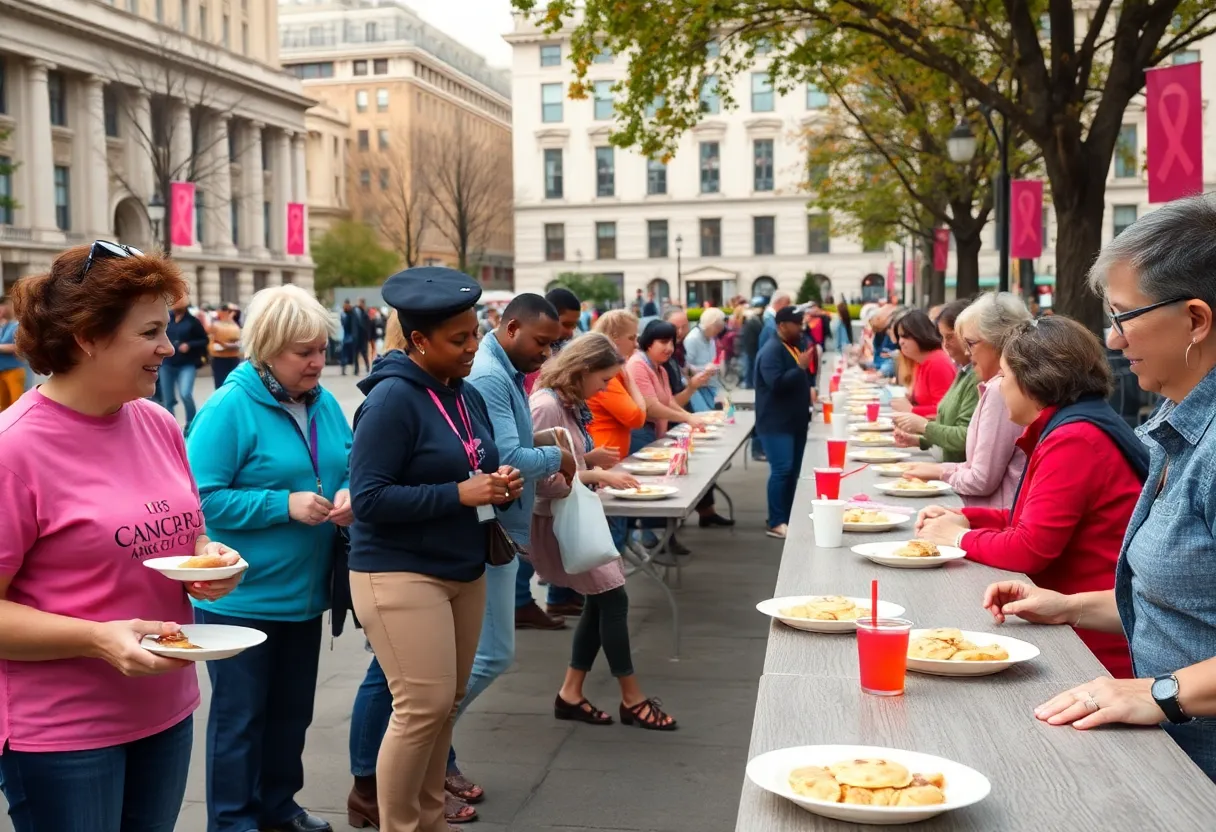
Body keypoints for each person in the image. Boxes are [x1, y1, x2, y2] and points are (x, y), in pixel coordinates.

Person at [0, 242, 241, 832]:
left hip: (165, 708)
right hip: (62, 733)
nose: (171, 345)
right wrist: (98, 639)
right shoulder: (14, 450)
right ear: (87, 336)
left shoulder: (157, 421)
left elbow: (189, 533)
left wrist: (209, 560)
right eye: (152, 331)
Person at [984, 196, 1216, 778]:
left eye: (1123, 316)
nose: (1113, 340)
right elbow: (1184, 603)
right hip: (1165, 753)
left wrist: (1158, 693)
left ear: (1195, 319)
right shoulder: (1181, 425)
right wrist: (1071, 607)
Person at [347, 267, 523, 832]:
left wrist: (496, 479)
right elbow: (368, 498)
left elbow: (470, 457)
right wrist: (458, 492)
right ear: (419, 341)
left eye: (476, 333)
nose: (474, 346)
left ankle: (429, 820)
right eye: (459, 339)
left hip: (460, 567)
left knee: (445, 703)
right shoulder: (392, 400)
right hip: (400, 573)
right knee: (420, 709)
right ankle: (398, 823)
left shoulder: (463, 392)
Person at [186, 285, 352, 832]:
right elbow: (200, 499)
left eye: (322, 349)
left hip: (304, 594)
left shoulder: (324, 402)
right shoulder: (229, 406)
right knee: (240, 720)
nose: (317, 361)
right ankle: (233, 822)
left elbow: (349, 462)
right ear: (266, 349)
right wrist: (282, 504)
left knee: (290, 715)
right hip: (244, 598)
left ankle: (279, 807)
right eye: (302, 351)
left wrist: (350, 491)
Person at [917, 316, 1146, 677]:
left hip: (1090, 647)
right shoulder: (1074, 425)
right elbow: (1027, 518)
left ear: (1033, 381)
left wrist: (957, 538)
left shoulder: (1074, 439)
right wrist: (966, 518)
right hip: (1072, 623)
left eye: (1005, 375)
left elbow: (1030, 549)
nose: (998, 384)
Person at [531, 333, 678, 731]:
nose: (604, 387)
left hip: (569, 516)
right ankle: (631, 698)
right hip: (557, 521)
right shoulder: (546, 406)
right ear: (580, 372)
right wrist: (594, 471)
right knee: (612, 599)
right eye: (602, 380)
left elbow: (559, 460)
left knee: (603, 600)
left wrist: (587, 459)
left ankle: (571, 693)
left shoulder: (563, 402)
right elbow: (540, 477)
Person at [898, 293, 1030, 509]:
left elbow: (981, 479)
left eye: (970, 343)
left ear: (996, 341)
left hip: (995, 514)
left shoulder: (1000, 389)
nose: (968, 352)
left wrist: (940, 471)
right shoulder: (997, 384)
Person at [518, 286, 583, 623]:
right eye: (567, 324)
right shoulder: (540, 385)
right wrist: (559, 460)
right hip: (530, 478)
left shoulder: (549, 353)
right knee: (524, 545)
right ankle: (519, 604)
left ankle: (549, 597)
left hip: (540, 473)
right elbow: (525, 440)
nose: (570, 332)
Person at [754, 306, 816, 540]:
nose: (800, 328)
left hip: (795, 420)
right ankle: (776, 520)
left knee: (793, 472)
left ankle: (789, 515)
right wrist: (799, 368)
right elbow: (776, 384)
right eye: (796, 324)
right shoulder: (771, 351)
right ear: (781, 326)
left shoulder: (792, 346)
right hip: (776, 423)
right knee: (782, 470)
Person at [892, 299, 978, 464]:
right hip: (947, 461)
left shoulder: (942, 363)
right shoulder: (964, 371)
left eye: (949, 337)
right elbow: (946, 419)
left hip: (953, 467)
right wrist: (919, 440)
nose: (945, 344)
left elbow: (964, 435)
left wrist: (919, 421)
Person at [888, 309, 955, 417]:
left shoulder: (938, 362)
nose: (901, 342)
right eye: (899, 337)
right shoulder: (920, 361)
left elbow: (945, 411)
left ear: (919, 334)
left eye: (905, 336)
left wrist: (911, 409)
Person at [160, 293, 209, 427]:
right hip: (167, 363)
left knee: (185, 393)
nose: (175, 308)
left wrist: (190, 345)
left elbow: (204, 340)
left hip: (187, 364)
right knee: (168, 399)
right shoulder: (166, 318)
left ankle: (191, 422)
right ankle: (170, 427)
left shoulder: (193, 321)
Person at [682, 306, 725, 412]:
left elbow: (711, 360)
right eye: (717, 328)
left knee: (724, 410)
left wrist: (716, 367)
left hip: (710, 384)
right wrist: (703, 369)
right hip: (697, 388)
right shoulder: (692, 339)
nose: (718, 332)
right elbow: (684, 367)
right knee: (705, 414)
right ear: (709, 325)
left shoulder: (710, 338)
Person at [0, 294, 27, 410]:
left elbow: (19, 347)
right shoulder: (3, 326)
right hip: (2, 372)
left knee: (16, 405)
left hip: (14, 371)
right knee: (3, 407)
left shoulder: (17, 325)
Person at [207, 303, 242, 390]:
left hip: (228, 357)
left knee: (226, 383)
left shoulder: (233, 325)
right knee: (227, 383)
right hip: (221, 357)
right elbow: (210, 339)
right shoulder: (217, 324)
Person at [340, 300, 367, 376]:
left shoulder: (349, 314)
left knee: (353, 354)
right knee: (348, 354)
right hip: (348, 337)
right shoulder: (346, 314)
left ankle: (354, 369)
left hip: (350, 337)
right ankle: (346, 369)